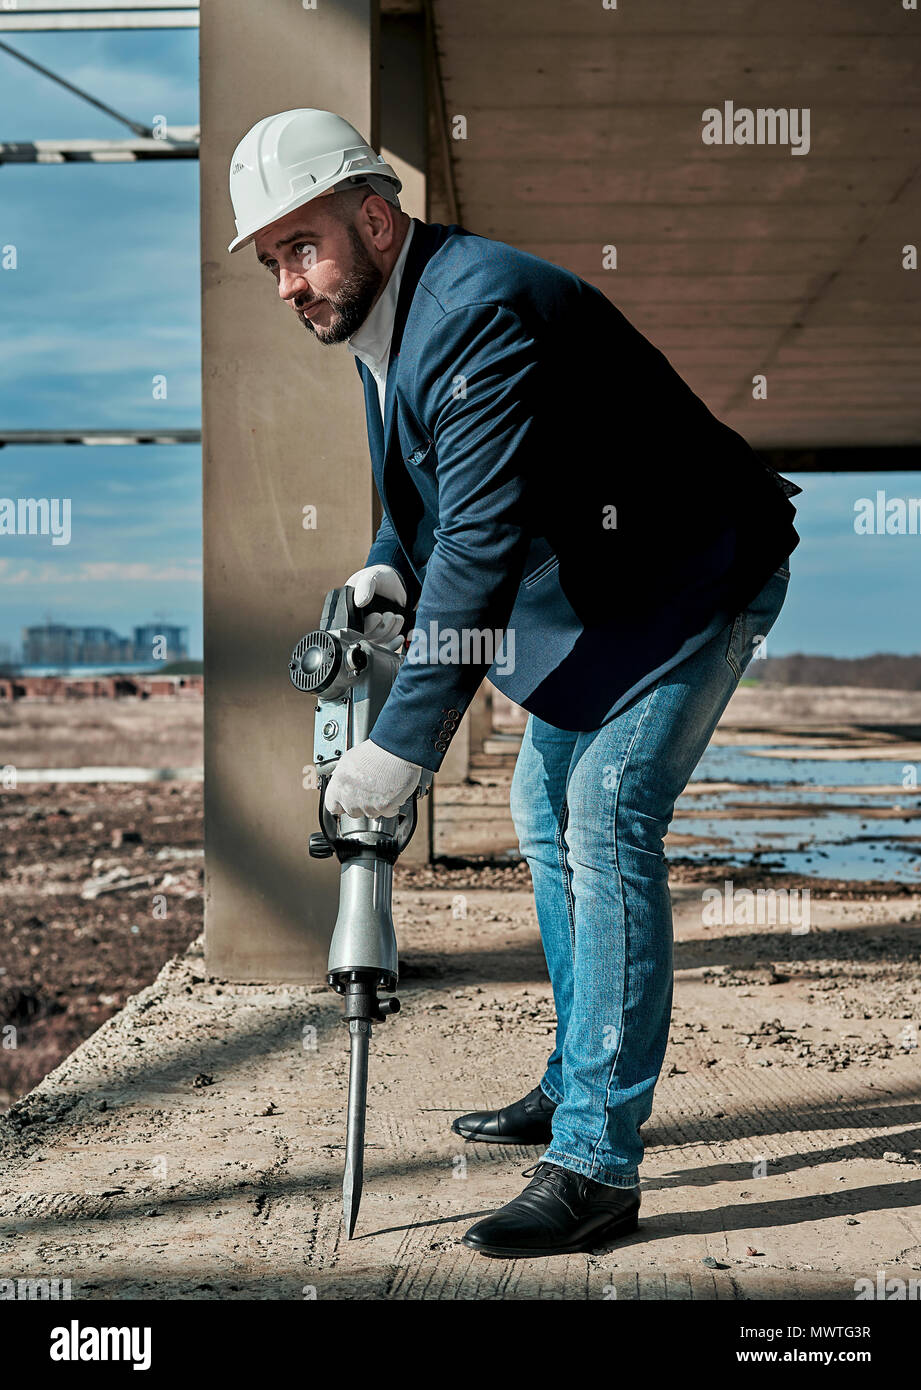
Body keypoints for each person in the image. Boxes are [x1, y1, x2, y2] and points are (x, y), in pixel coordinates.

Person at [227, 109, 801, 1258]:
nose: (288, 281)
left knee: (604, 810)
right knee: (544, 809)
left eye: (302, 247)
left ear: (375, 219)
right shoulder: (383, 322)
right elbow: (426, 488)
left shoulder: (478, 308)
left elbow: (482, 547)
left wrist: (400, 748)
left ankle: (596, 1163)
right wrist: (392, 555)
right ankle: (576, 1072)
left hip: (695, 578)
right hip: (604, 595)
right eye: (271, 260)